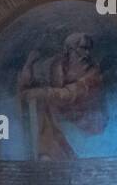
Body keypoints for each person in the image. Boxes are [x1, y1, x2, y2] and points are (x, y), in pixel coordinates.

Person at [16, 32, 107, 160]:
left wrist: (43, 92)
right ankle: (45, 154)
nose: (87, 53)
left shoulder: (93, 73)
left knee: (46, 102)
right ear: (69, 50)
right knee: (43, 107)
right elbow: (33, 83)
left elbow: (71, 93)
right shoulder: (56, 64)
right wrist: (29, 64)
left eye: (88, 49)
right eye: (82, 48)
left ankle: (55, 155)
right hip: (60, 115)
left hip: (84, 122)